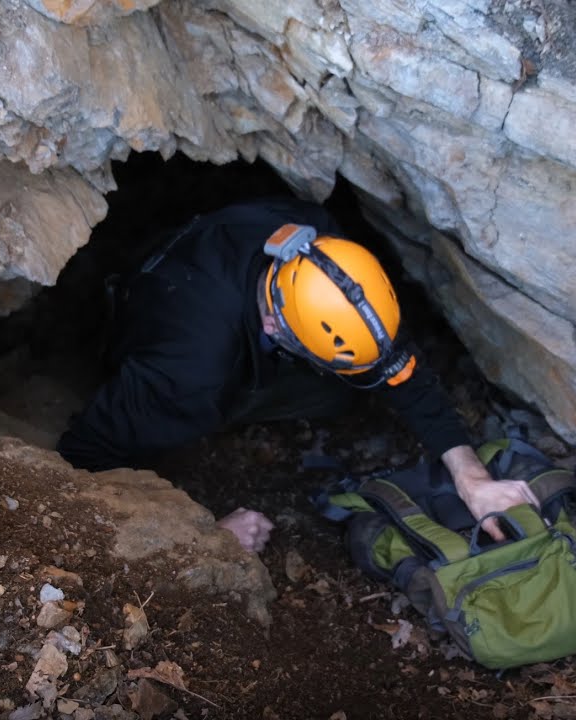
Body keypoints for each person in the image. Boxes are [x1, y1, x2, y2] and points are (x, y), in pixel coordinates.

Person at [56, 196, 538, 552]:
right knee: (314, 396)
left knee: (339, 392)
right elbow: (81, 457)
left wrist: (472, 479)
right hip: (149, 321)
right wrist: (202, 536)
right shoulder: (193, 370)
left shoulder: (319, 254)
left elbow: (401, 372)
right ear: (273, 325)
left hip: (181, 261)